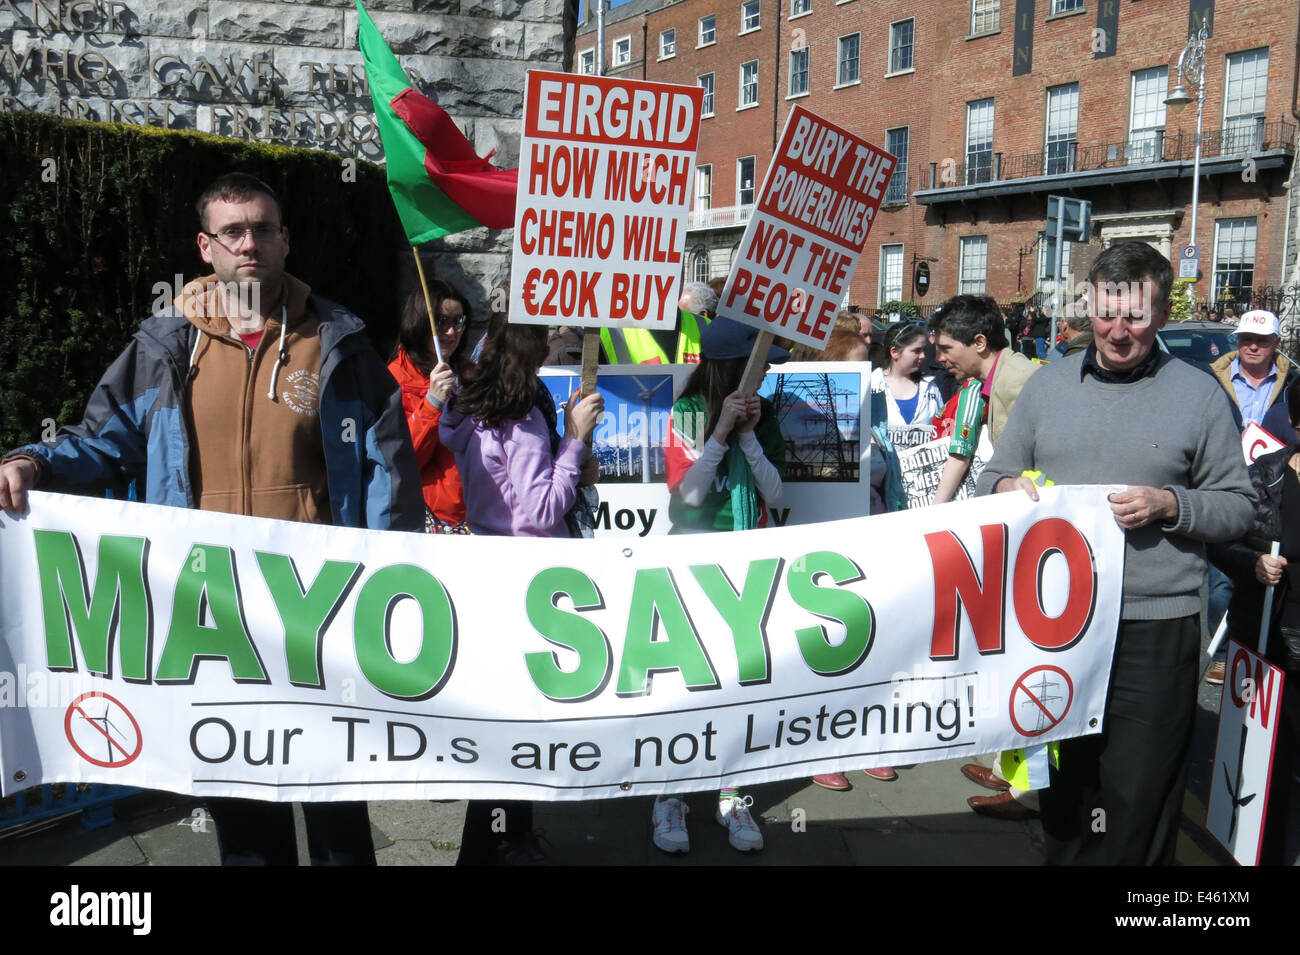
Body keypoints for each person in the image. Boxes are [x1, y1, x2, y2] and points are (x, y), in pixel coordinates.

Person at [0, 172, 424, 865]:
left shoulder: (338, 341)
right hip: (212, 619)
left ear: (285, 239)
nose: (249, 242)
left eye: (263, 228)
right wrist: (34, 464)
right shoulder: (169, 348)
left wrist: (397, 579)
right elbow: (104, 437)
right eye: (233, 231)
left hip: (322, 619)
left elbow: (388, 470)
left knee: (339, 813)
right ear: (207, 246)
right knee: (243, 819)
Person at [977, 242, 1254, 864]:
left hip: (1155, 626)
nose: (1117, 331)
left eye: (1134, 316)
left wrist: (1170, 505)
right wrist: (1005, 488)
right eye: (1105, 314)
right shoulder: (1047, 387)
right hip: (1057, 626)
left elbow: (1238, 507)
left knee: (1139, 795)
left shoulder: (1200, 395)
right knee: (1065, 793)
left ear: (1160, 314)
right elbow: (991, 476)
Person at [440, 315, 604, 862]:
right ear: (533, 351)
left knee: (502, 724)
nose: (561, 341)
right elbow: (538, 513)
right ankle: (507, 843)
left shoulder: (470, 408)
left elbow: (449, 435)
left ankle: (490, 844)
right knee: (524, 725)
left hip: (488, 572)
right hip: (528, 583)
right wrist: (575, 443)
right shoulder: (525, 419)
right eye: (554, 336)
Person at [657, 316, 787, 851]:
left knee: (740, 686)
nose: (763, 383)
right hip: (692, 562)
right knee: (681, 686)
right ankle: (669, 799)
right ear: (733, 371)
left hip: (747, 560)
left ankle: (734, 798)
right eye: (756, 371)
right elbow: (685, 497)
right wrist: (718, 434)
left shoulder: (766, 414)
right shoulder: (687, 411)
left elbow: (776, 496)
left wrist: (750, 435)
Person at [1208, 376, 1300, 865]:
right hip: (1272, 638)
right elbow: (1220, 540)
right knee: (1266, 762)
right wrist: (1253, 565)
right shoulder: (1265, 475)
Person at [930, 295, 1038, 507]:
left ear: (979, 343)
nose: (939, 358)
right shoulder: (997, 379)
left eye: (946, 349)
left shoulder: (1018, 381)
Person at [388, 281, 476, 533]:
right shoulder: (395, 379)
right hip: (431, 519)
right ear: (419, 322)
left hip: (477, 514)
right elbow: (400, 461)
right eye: (441, 322)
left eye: (458, 322)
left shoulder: (470, 373)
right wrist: (432, 402)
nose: (451, 332)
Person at [1210, 309, 1299, 432]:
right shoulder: (1211, 380)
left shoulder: (1293, 383)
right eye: (1247, 339)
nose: (1253, 347)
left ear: (1277, 343)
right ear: (1238, 340)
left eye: (1262, 340)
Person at [870, 324, 944, 432]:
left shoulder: (930, 387)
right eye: (917, 351)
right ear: (894, 352)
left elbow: (941, 427)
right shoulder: (872, 384)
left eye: (923, 350)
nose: (923, 356)